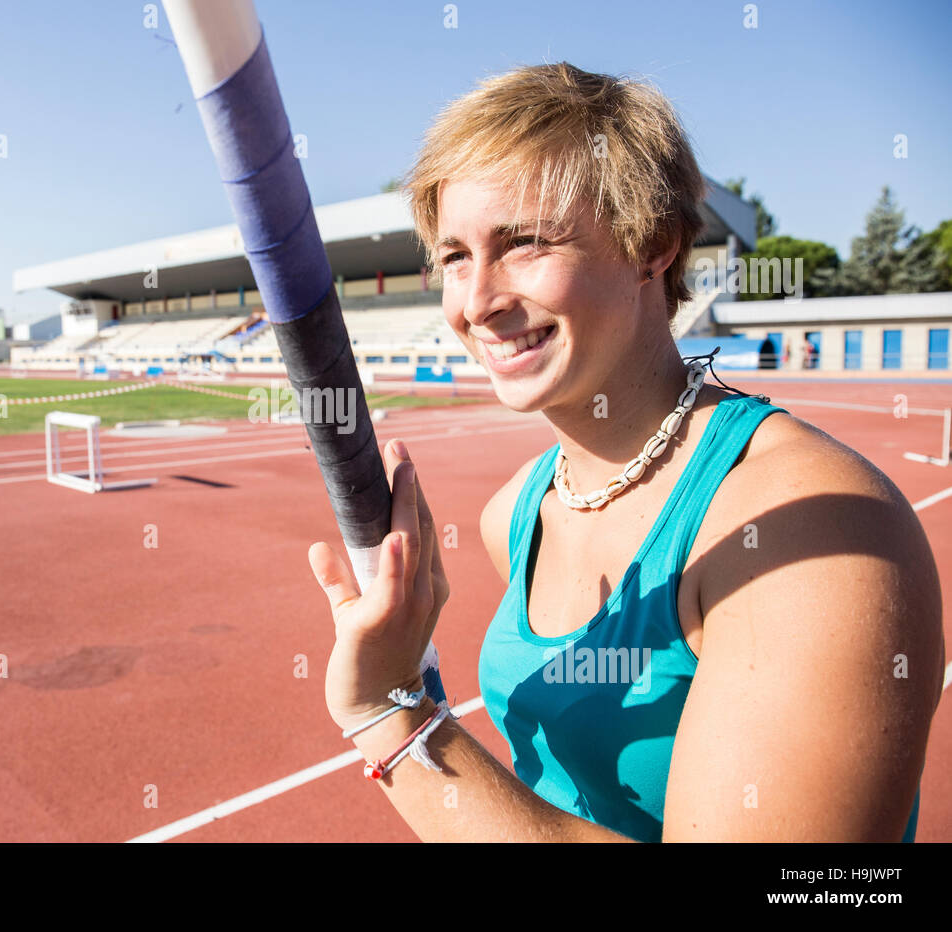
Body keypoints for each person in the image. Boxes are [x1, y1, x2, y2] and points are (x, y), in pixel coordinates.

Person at [307, 62, 942, 842]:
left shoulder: (814, 536)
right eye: (455, 257)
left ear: (654, 247)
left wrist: (393, 717)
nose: (478, 303)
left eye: (525, 243)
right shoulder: (518, 513)